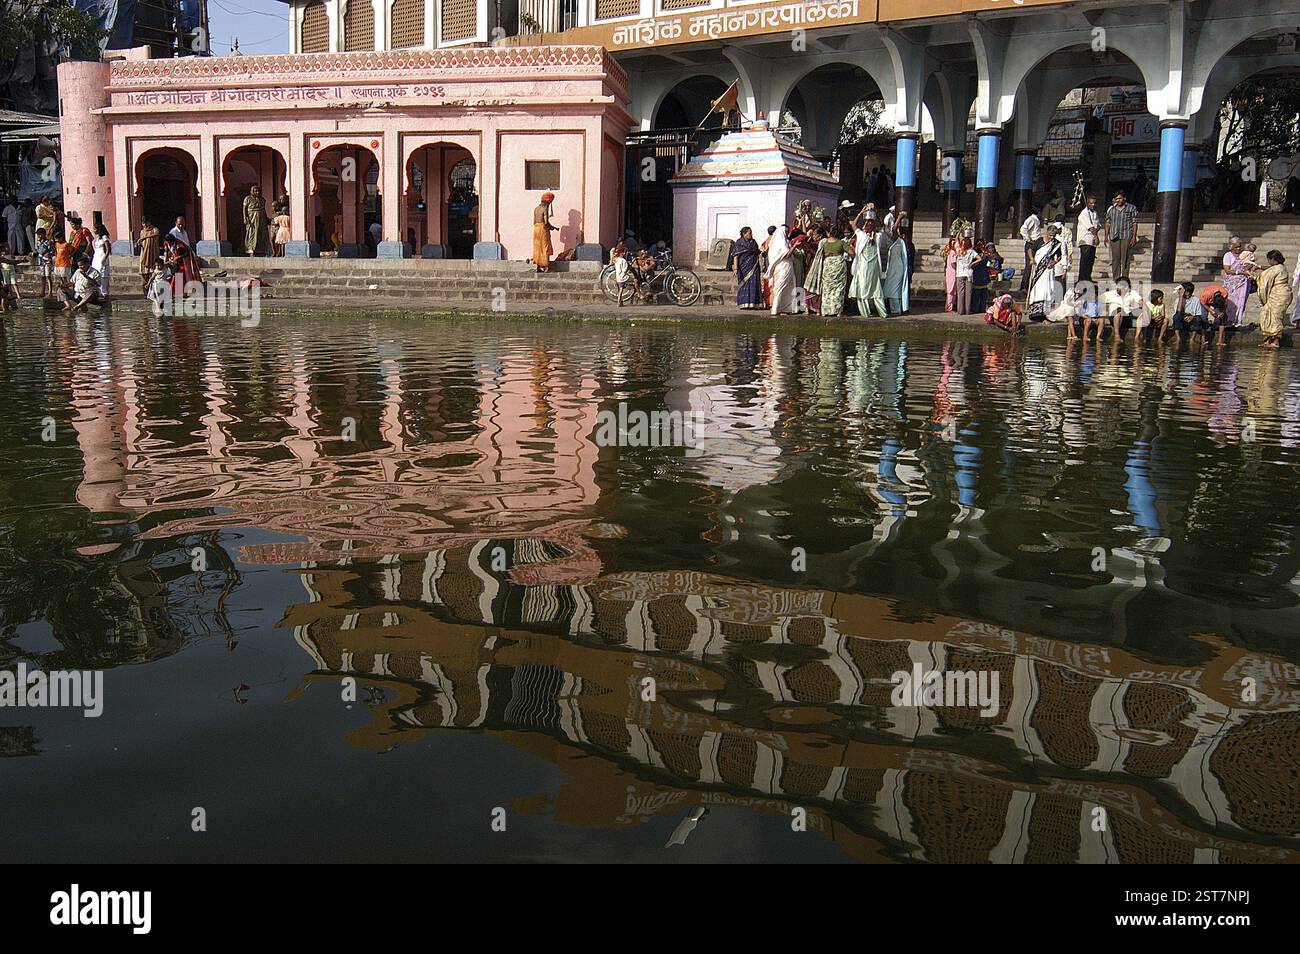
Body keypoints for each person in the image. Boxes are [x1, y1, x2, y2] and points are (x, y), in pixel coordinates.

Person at [848, 213, 886, 318]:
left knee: (876, 289)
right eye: (867, 224)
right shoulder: (861, 235)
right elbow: (853, 225)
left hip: (873, 265)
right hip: (863, 265)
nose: (869, 226)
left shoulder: (878, 236)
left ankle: (882, 312)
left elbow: (884, 227)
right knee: (862, 288)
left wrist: (877, 215)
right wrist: (861, 212)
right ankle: (865, 313)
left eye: (871, 224)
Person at [807, 226, 850, 317]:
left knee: (827, 288)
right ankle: (837, 311)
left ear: (829, 233)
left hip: (828, 265)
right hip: (838, 265)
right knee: (839, 289)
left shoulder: (824, 243)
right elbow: (852, 253)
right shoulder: (841, 243)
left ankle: (826, 311)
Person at [1025, 224, 1065, 321]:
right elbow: (1030, 249)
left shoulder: (1056, 243)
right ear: (1047, 232)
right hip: (1038, 268)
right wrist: (1031, 259)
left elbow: (1059, 256)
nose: (1051, 237)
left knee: (1047, 290)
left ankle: (1045, 314)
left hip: (1048, 269)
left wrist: (1054, 262)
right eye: (1050, 235)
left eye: (1053, 236)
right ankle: (1034, 312)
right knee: (1037, 290)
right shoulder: (1039, 240)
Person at [1256, 250, 1293, 348]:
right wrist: (1259, 267)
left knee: (1276, 316)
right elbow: (1269, 271)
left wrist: (1255, 278)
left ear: (1272, 259)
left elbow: (1264, 279)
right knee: (1268, 315)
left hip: (1279, 294)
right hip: (1280, 293)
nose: (1268, 261)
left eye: (1269, 259)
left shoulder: (1277, 269)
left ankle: (1276, 341)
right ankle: (1269, 339)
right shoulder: (1280, 267)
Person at [1104, 191, 1138, 279]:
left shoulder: (1131, 208)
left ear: (1124, 198)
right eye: (1116, 199)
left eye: (1120, 198)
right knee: (1115, 259)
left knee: (1125, 258)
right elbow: (1108, 223)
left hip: (1126, 235)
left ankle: (1125, 278)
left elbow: (1134, 223)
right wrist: (1106, 236)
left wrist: (1134, 236)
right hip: (1114, 236)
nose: (1118, 200)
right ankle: (1116, 278)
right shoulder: (1111, 210)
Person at [1221, 237, 1253, 326]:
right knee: (1231, 302)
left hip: (1243, 283)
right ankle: (1229, 320)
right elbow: (1227, 270)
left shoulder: (1243, 255)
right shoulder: (1228, 255)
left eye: (1239, 247)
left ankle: (1237, 320)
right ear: (1231, 247)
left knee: (1241, 301)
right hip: (1232, 284)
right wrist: (1240, 272)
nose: (1238, 249)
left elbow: (1249, 265)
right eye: (1236, 247)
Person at [766, 224, 796, 316]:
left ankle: (784, 308)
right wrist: (794, 246)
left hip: (783, 266)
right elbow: (787, 255)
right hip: (783, 267)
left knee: (787, 288)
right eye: (786, 232)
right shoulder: (781, 243)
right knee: (780, 288)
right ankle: (775, 309)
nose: (787, 233)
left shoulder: (775, 243)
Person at [1102, 276, 1144, 341]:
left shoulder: (1132, 293)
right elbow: (1097, 299)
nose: (1117, 287)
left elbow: (1141, 301)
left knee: (1142, 312)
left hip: (1127, 317)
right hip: (1114, 317)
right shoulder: (1110, 294)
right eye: (1117, 285)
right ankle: (1117, 336)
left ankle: (1137, 336)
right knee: (1119, 310)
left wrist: (1141, 304)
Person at [882, 223, 910, 315]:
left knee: (895, 289)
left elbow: (893, 229)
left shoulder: (901, 242)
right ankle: (893, 308)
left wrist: (899, 218)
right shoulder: (892, 242)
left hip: (898, 269)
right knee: (889, 289)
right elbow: (886, 229)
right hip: (891, 269)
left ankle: (896, 310)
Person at [732, 227, 762, 309]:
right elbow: (735, 256)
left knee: (754, 283)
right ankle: (743, 303)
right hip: (743, 267)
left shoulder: (753, 242)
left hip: (754, 266)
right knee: (744, 284)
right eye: (749, 233)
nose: (751, 234)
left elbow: (757, 252)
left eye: (751, 232)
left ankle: (754, 303)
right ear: (744, 234)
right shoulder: (739, 243)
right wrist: (735, 268)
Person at [1075, 195, 1101, 283]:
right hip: (1086, 239)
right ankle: (1082, 279)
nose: (1093, 205)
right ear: (1087, 203)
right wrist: (1096, 236)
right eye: (1091, 203)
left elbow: (1098, 225)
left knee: (1090, 260)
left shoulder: (1094, 213)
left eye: (1094, 203)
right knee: (1085, 260)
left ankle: (1088, 278)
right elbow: (1090, 227)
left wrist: (1096, 232)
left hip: (1092, 240)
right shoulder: (1084, 213)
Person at [952, 234, 978, 314]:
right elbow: (979, 259)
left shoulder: (959, 250)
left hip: (960, 273)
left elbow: (956, 239)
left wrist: (960, 231)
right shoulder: (972, 251)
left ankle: (960, 311)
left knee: (961, 293)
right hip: (969, 273)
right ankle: (967, 310)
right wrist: (973, 264)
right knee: (968, 293)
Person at [532, 192, 557, 272]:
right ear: (548, 202)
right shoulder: (544, 208)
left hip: (536, 229)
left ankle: (538, 266)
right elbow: (546, 222)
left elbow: (535, 221)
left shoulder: (536, 208)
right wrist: (553, 228)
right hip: (542, 229)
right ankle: (546, 266)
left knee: (537, 247)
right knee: (544, 247)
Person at [1019, 209, 1043, 291]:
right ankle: (1024, 286)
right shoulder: (1031, 219)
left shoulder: (1036, 220)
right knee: (1028, 266)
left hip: (1036, 243)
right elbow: (1023, 229)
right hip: (1031, 243)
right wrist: (1028, 239)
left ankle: (1030, 285)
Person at [243, 185, 267, 256]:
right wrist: (245, 217)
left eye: (258, 191)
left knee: (261, 233)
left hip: (261, 219)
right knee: (252, 233)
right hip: (252, 219)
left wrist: (266, 218)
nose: (257, 192)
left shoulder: (262, 199)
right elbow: (244, 209)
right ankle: (251, 250)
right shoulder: (248, 199)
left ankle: (261, 250)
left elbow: (263, 210)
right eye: (255, 191)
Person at [138, 218, 161, 293]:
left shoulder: (154, 229)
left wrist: (145, 237)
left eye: (145, 223)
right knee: (144, 274)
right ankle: (145, 292)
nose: (144, 225)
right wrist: (139, 243)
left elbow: (156, 234)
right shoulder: (142, 231)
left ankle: (152, 292)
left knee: (152, 274)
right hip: (144, 254)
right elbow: (141, 243)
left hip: (153, 254)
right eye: (143, 223)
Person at [90, 223, 112, 298]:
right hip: (96, 257)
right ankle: (98, 291)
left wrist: (104, 258)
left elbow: (108, 249)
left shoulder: (104, 237)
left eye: (95, 229)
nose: (93, 230)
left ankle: (104, 291)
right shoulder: (97, 238)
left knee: (103, 273)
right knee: (96, 273)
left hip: (102, 256)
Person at [33, 227, 53, 298]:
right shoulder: (38, 242)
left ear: (44, 234)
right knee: (42, 277)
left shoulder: (48, 242)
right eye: (38, 235)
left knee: (48, 276)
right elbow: (37, 251)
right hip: (40, 261)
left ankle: (50, 292)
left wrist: (49, 254)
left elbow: (52, 251)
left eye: (40, 234)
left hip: (47, 261)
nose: (39, 236)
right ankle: (43, 292)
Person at [0, 243, 20, 311]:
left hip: (5, 275)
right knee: (5, 295)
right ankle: (5, 310)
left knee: (5, 293)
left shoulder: (2, 258)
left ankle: (5, 311)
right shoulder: (1, 258)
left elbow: (11, 261)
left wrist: (22, 261)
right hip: (3, 275)